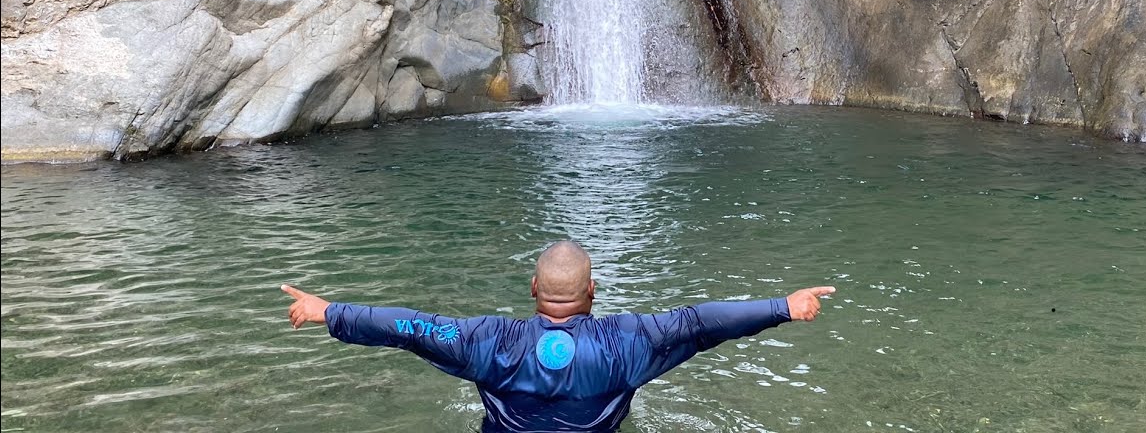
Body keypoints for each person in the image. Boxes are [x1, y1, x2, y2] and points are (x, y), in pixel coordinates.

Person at [281, 240, 834, 433]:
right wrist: (781, 306)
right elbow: (702, 322)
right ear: (593, 290)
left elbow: (405, 326)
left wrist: (329, 310)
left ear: (533, 288)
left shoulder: (488, 340)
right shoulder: (631, 342)